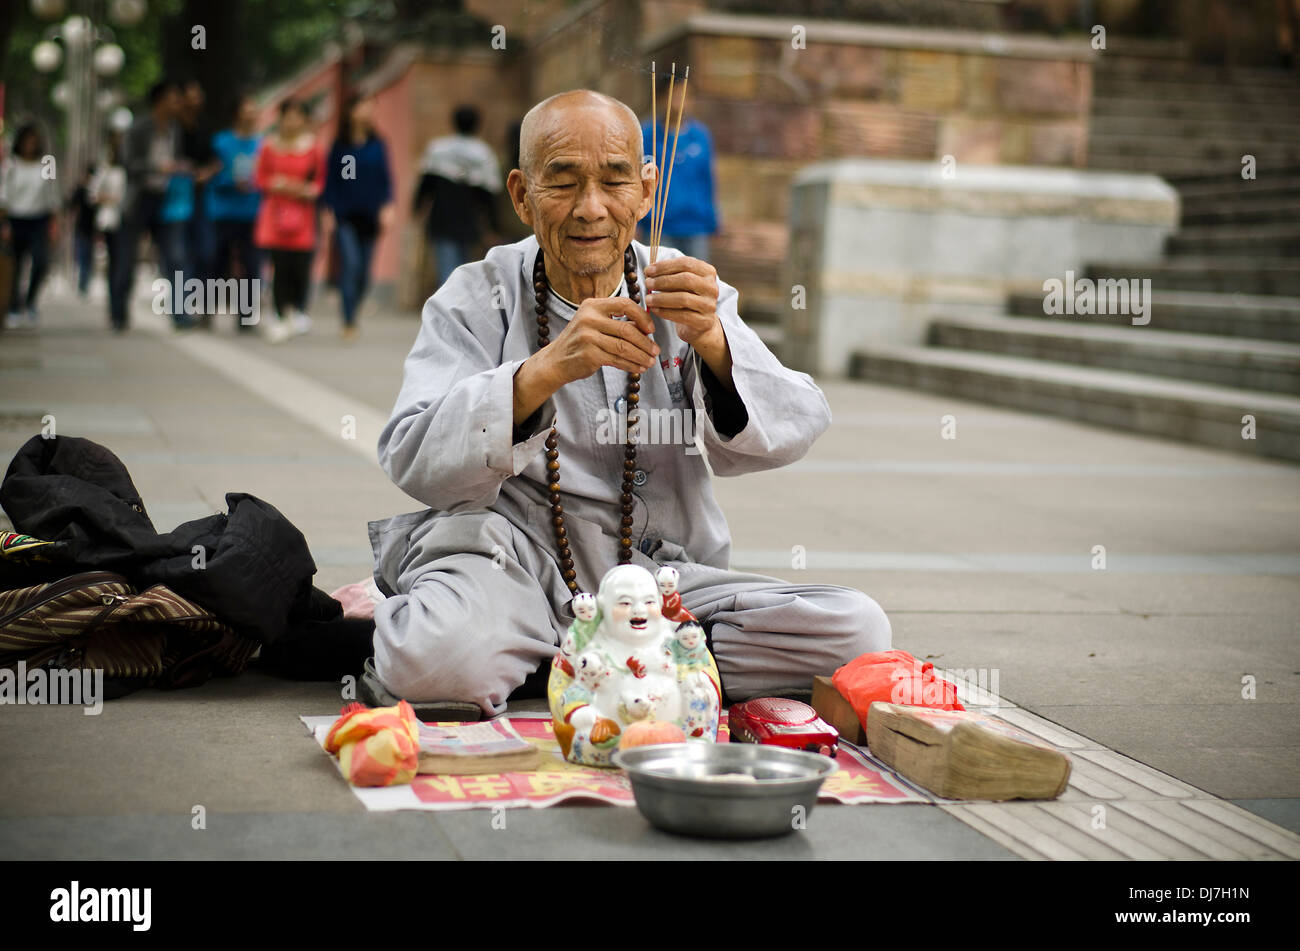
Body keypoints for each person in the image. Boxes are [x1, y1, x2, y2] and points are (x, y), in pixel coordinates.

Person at [367, 89, 890, 716]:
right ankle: (600, 660)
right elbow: (413, 458)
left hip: (658, 581)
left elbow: (795, 424)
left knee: (855, 631)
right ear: (520, 195)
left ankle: (558, 661)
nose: (591, 209)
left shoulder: (681, 287)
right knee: (430, 658)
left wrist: (716, 344)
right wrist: (543, 371)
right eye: (562, 183)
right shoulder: (475, 296)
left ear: (646, 191)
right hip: (514, 564)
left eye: (615, 181)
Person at [321, 94, 393, 340]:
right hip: (344, 215)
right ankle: (348, 320)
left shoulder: (378, 144)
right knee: (350, 265)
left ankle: (354, 304)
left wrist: (388, 207)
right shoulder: (340, 146)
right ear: (351, 111)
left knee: (365, 273)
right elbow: (330, 180)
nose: (367, 111)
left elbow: (385, 179)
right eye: (362, 106)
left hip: (371, 215)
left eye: (370, 107)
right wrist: (328, 210)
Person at [253, 98, 325, 342]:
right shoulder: (269, 147)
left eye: (297, 116)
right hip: (275, 215)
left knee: (301, 265)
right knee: (279, 265)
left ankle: (298, 309)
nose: (292, 121)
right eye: (288, 115)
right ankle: (278, 312)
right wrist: (278, 184)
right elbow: (260, 178)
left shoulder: (313, 148)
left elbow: (320, 182)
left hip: (303, 216)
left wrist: (307, 190)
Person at [413, 105, 502, 289]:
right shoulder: (483, 154)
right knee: (465, 268)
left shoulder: (438, 150)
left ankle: (447, 310)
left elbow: (425, 185)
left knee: (447, 268)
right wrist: (493, 226)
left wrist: (416, 210)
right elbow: (489, 196)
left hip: (442, 217)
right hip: (469, 220)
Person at [122, 80, 186, 330]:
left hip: (166, 198)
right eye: (174, 98)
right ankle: (119, 314)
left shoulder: (175, 130)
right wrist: (156, 168)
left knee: (175, 257)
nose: (178, 103)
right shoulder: (138, 128)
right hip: (139, 198)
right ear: (160, 100)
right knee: (127, 258)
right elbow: (128, 164)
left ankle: (179, 313)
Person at [640, 74, 718, 261]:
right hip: (659, 225)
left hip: (695, 225)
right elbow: (639, 180)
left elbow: (707, 180)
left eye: (687, 96)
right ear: (661, 98)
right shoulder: (647, 135)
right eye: (675, 95)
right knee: (659, 281)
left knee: (694, 283)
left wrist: (713, 221)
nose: (681, 102)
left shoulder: (701, 136)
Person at [208, 94, 263, 331]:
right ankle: (208, 309)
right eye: (246, 109)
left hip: (253, 212)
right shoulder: (220, 142)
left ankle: (246, 316)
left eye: (254, 110)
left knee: (251, 264)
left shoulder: (262, 144)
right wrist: (230, 181)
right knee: (218, 263)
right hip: (223, 211)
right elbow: (210, 172)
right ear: (236, 113)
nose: (251, 114)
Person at [0, 124, 60, 329]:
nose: (30, 145)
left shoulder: (47, 163)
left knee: (41, 262)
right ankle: (14, 307)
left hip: (39, 220)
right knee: (15, 266)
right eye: (27, 141)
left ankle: (31, 301)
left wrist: (55, 225)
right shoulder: (11, 165)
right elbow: (4, 195)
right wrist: (5, 224)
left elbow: (53, 197)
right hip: (16, 219)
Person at [89, 139, 129, 332]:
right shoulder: (107, 170)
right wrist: (113, 199)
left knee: (126, 268)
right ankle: (115, 311)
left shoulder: (132, 171)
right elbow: (93, 195)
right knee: (116, 267)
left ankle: (121, 310)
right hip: (111, 222)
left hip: (129, 222)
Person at [67, 165, 98, 298]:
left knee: (88, 257)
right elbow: (71, 205)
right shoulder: (80, 190)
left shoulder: (97, 191)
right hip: (81, 228)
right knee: (82, 256)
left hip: (93, 230)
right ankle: (82, 283)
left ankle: (84, 283)